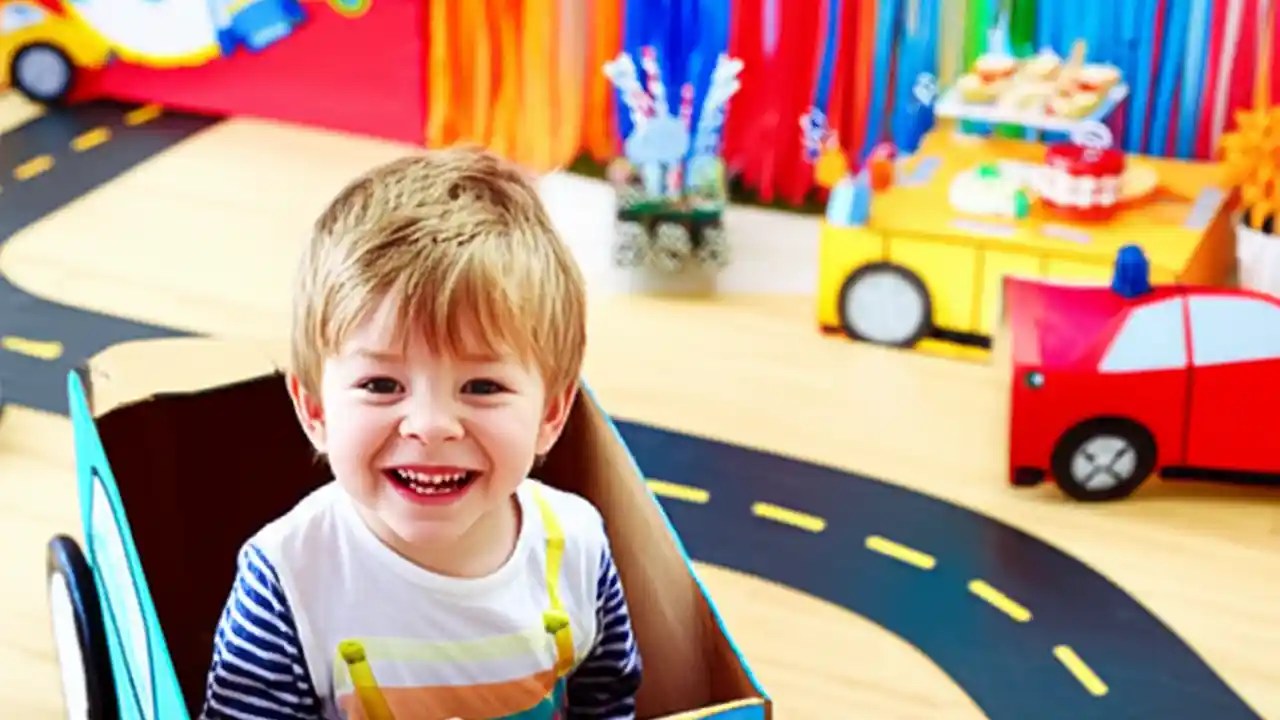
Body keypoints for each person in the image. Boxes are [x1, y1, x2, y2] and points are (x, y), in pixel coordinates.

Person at [200, 147, 642, 719]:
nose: (431, 426)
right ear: (314, 411)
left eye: (482, 387)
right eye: (382, 384)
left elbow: (609, 702)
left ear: (551, 416)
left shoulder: (577, 548)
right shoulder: (288, 578)